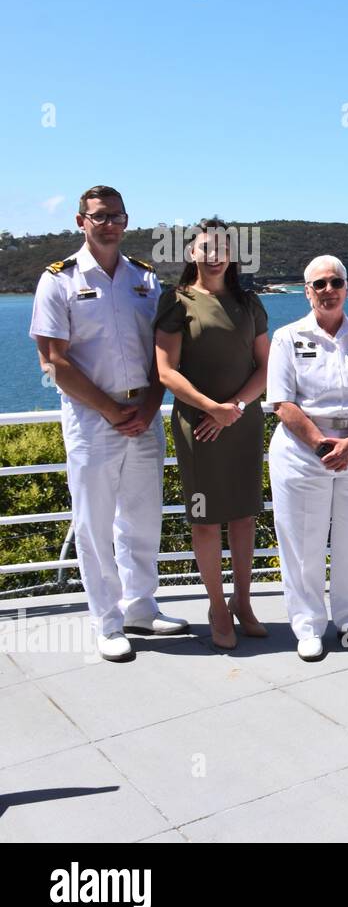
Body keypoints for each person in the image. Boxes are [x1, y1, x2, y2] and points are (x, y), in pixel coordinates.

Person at [29, 185, 188, 662]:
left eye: (116, 215)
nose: (108, 223)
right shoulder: (57, 280)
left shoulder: (145, 278)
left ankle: (140, 606)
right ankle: (107, 620)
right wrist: (107, 408)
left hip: (143, 413)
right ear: (81, 221)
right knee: (95, 521)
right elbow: (53, 361)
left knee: (141, 516)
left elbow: (161, 351)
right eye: (98, 216)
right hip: (91, 418)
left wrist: (148, 405)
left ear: (126, 220)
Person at [155, 220, 270, 651]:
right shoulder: (177, 302)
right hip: (199, 427)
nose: (215, 254)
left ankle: (243, 601)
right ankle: (217, 608)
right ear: (191, 253)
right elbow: (166, 371)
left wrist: (235, 409)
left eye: (223, 246)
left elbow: (265, 366)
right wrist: (212, 410)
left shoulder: (249, 302)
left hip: (243, 421)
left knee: (243, 515)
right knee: (205, 519)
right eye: (206, 247)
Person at [267, 256, 348, 662]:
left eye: (335, 282)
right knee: (303, 543)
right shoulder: (286, 338)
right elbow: (282, 403)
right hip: (303, 453)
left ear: (347, 287)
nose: (328, 290)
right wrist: (322, 444)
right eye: (318, 284)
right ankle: (308, 627)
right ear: (307, 291)